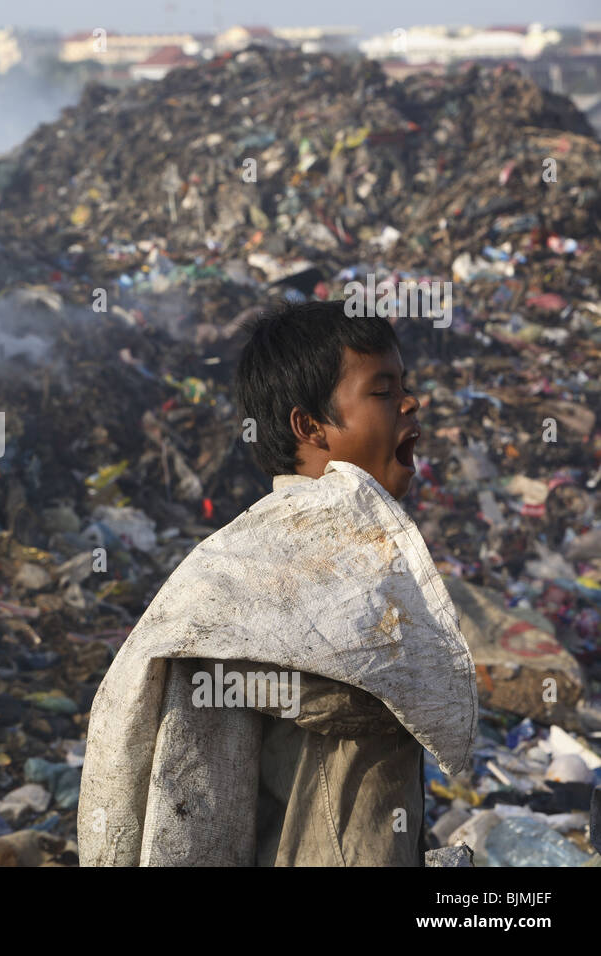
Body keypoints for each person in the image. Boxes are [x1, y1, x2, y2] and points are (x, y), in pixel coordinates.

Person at [77, 300, 478, 866]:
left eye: (404, 385)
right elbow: (196, 800)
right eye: (383, 391)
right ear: (309, 426)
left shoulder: (359, 555)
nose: (412, 402)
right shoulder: (251, 570)